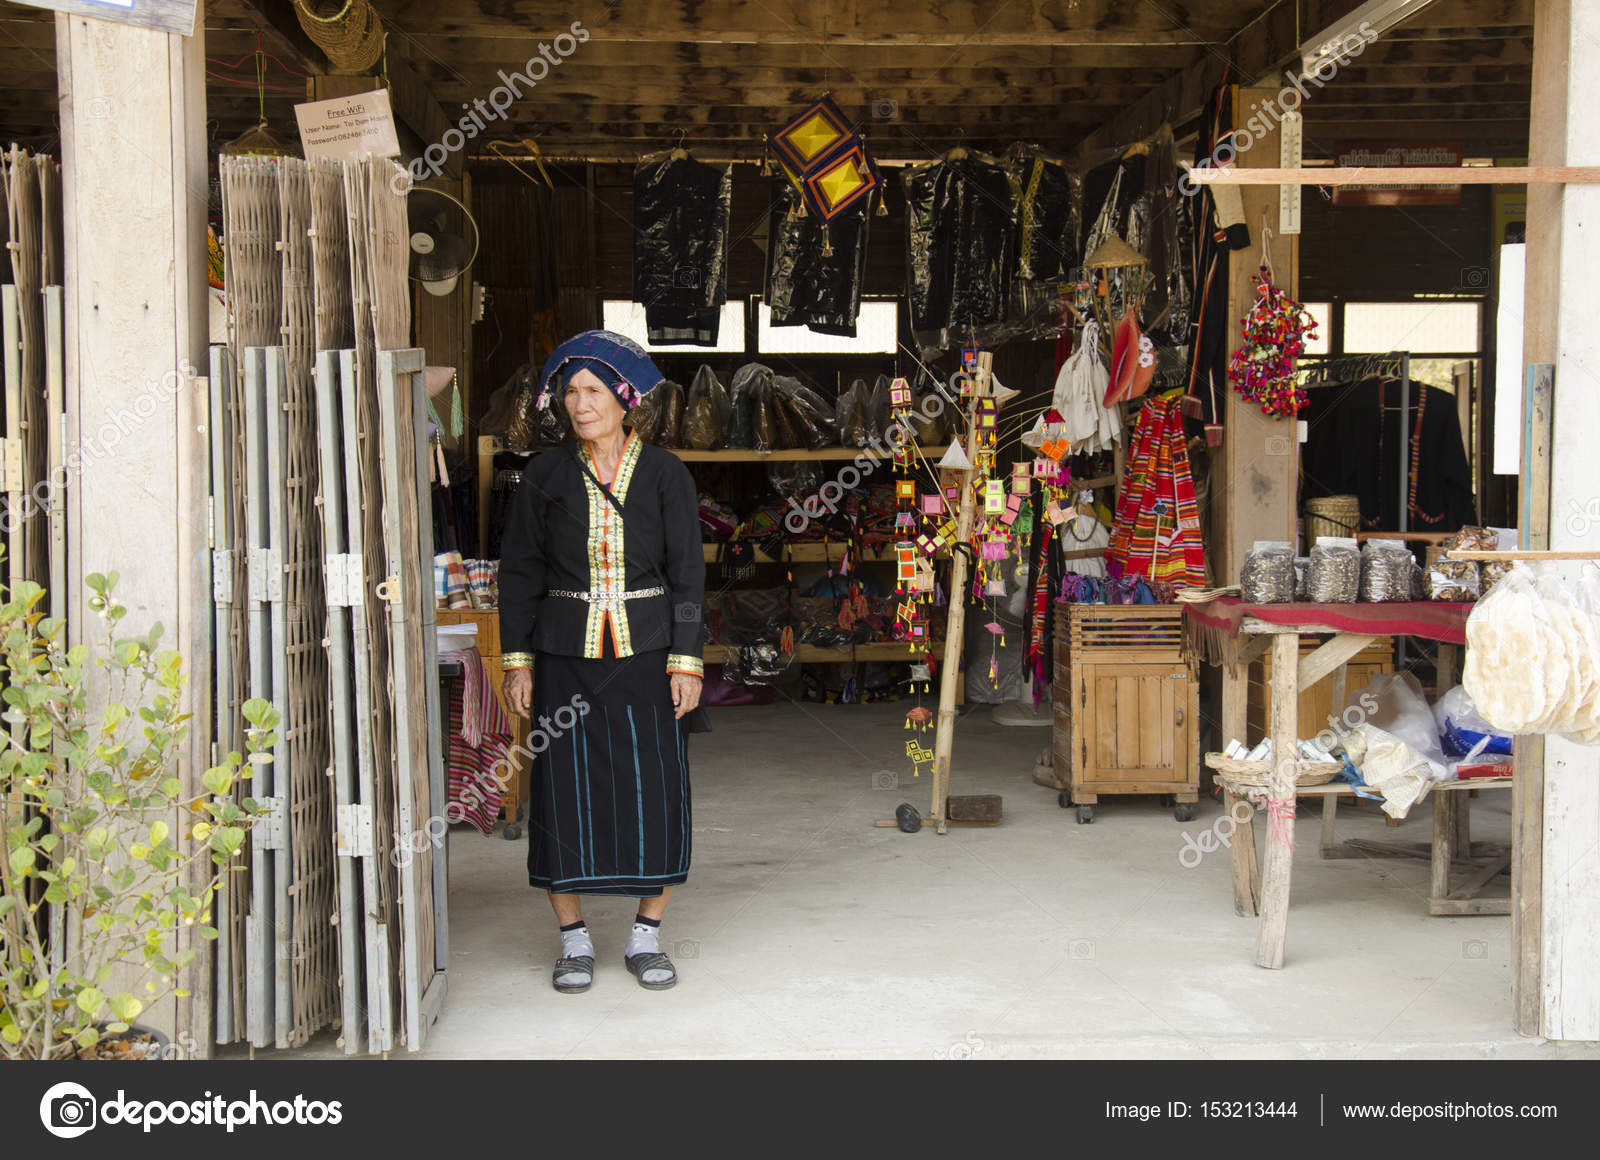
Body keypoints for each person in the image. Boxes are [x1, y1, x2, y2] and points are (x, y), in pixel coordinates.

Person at [499, 330, 705, 993]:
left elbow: (689, 578)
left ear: (624, 397)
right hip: (566, 657)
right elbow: (520, 573)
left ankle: (647, 934)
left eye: (592, 390)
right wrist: (518, 660)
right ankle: (574, 939)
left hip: (647, 656)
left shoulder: (667, 472)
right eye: (569, 391)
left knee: (656, 789)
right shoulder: (545, 474)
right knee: (564, 793)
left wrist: (687, 660)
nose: (578, 403)